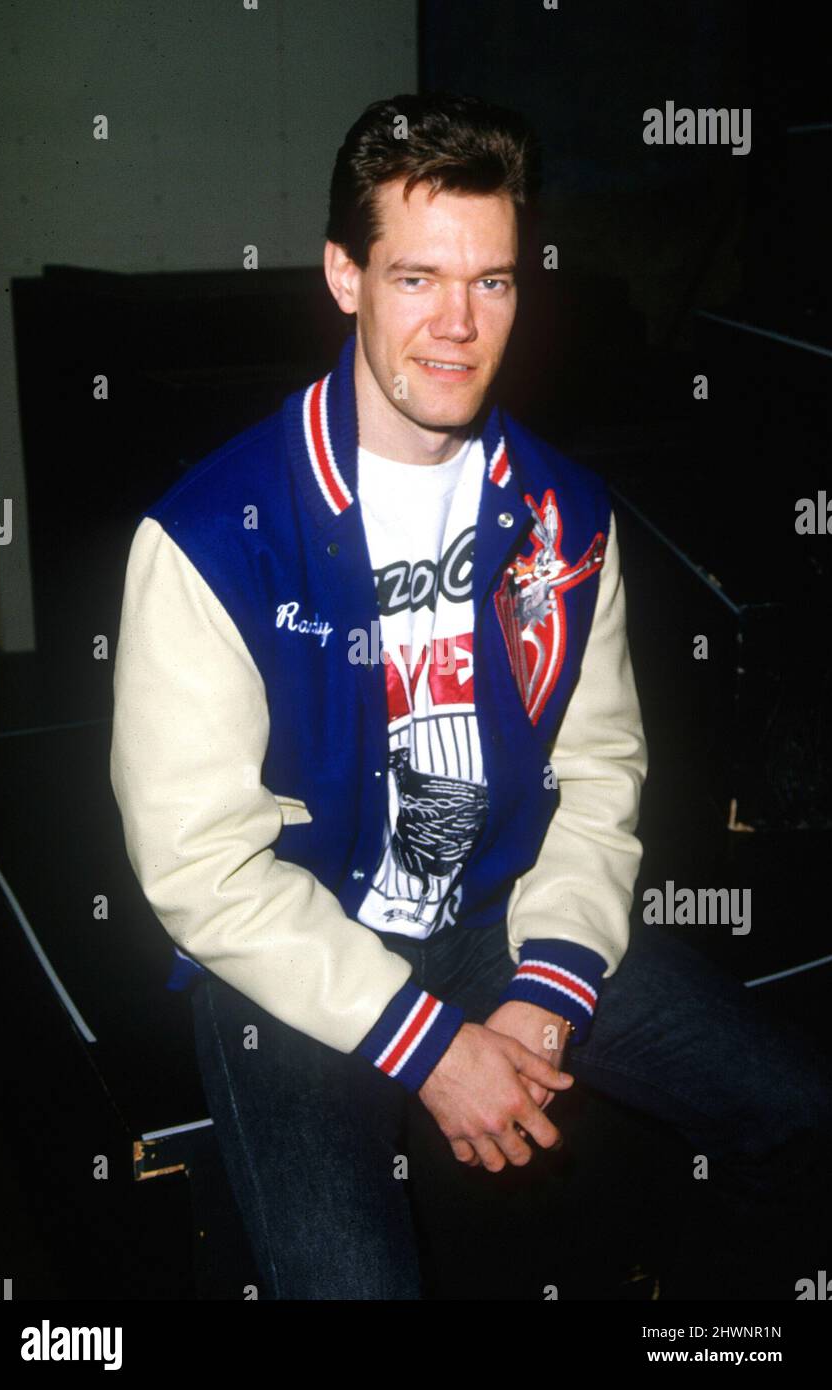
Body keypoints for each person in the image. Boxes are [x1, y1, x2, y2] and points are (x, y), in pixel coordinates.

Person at [110, 90, 832, 1300]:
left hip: (503, 918)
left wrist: (548, 998)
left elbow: (598, 774)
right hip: (303, 961)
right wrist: (432, 1046)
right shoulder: (209, 538)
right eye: (416, 279)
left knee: (803, 1116)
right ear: (344, 276)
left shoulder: (564, 516)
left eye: (492, 282)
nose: (456, 325)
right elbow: (200, 868)